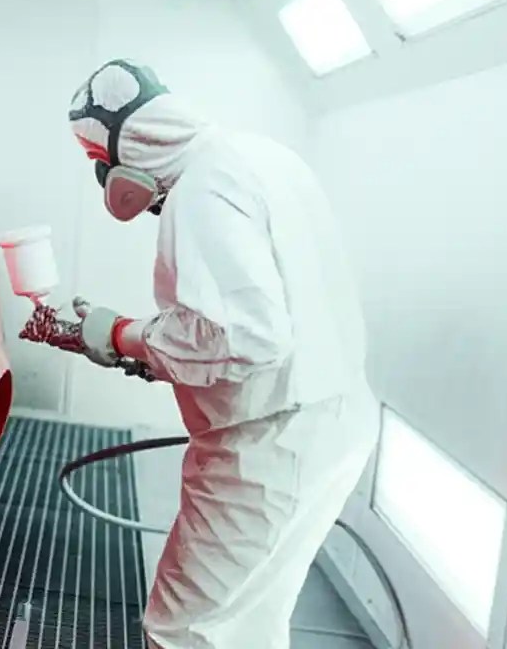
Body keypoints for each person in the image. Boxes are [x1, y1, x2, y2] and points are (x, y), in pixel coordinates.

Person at [64, 59, 382, 649]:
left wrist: (122, 334)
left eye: (96, 161)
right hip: (333, 419)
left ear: (121, 152)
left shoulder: (201, 191)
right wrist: (154, 355)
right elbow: (270, 314)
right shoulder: (259, 156)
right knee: (252, 623)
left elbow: (243, 336)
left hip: (268, 447)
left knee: (184, 629)